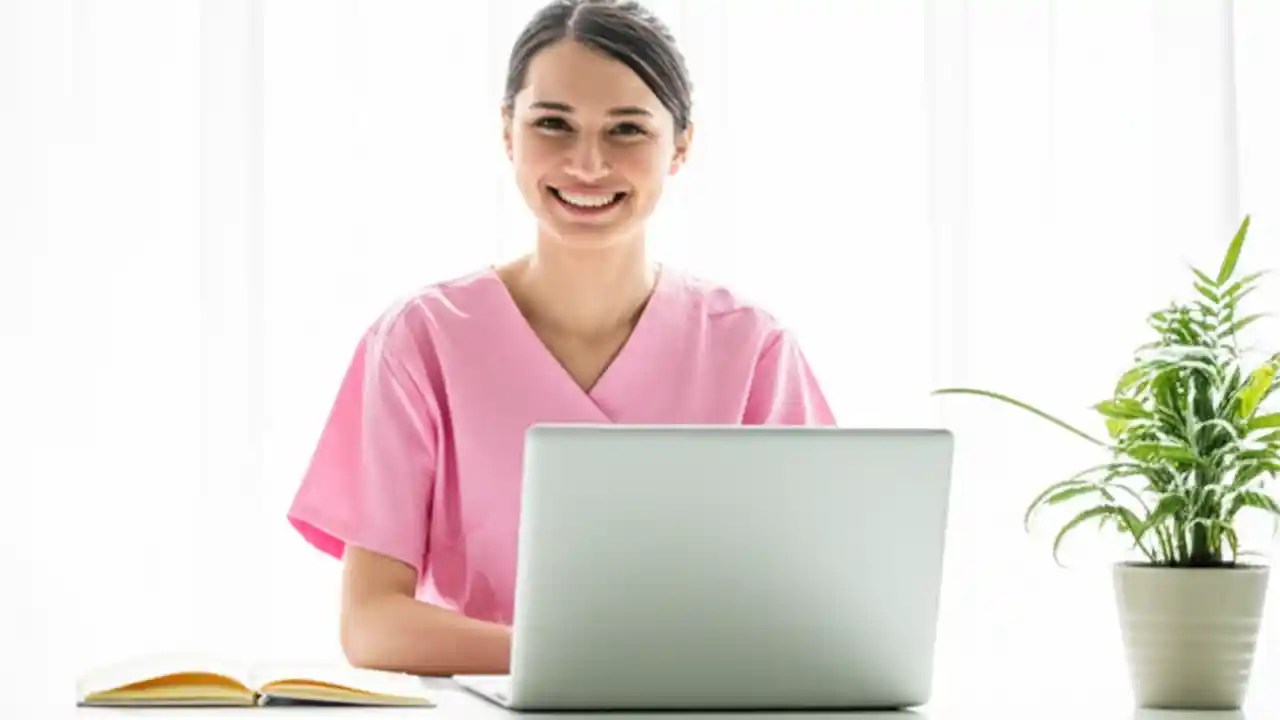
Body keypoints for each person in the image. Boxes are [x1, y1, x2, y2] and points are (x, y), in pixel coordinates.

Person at [285, 0, 836, 677]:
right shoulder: (420, 343)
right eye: (553, 123)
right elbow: (372, 624)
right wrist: (589, 659)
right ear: (508, 133)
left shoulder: (753, 351)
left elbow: (816, 602)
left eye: (628, 129)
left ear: (682, 147)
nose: (587, 164)